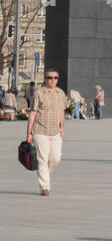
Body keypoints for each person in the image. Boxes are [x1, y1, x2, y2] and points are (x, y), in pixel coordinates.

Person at [26, 69, 67, 197]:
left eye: (55, 78)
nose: (52, 80)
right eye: (49, 78)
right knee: (42, 158)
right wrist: (29, 133)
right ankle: (45, 186)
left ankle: (44, 174)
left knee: (56, 158)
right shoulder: (39, 93)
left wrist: (62, 128)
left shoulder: (61, 93)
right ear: (45, 79)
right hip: (40, 130)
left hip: (55, 131)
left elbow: (61, 112)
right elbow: (32, 113)